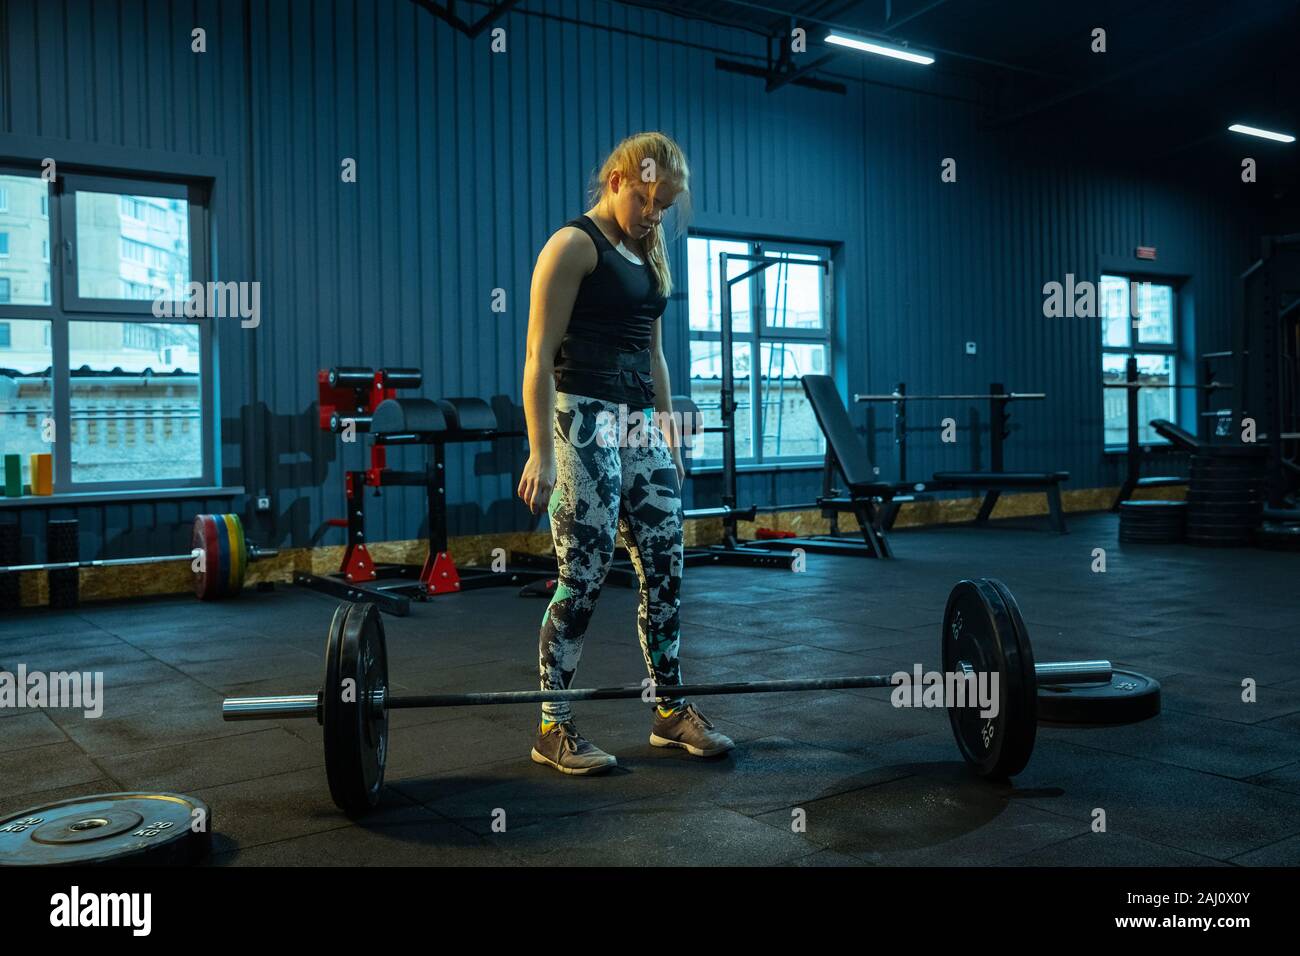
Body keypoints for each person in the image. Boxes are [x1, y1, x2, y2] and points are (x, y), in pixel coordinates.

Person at [517, 131, 734, 774]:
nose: (656, 213)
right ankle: (553, 724)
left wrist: (667, 432)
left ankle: (668, 709)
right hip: (582, 415)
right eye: (648, 200)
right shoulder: (572, 245)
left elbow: (655, 353)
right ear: (617, 180)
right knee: (581, 575)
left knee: (666, 559)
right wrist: (541, 453)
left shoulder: (647, 252)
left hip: (638, 420)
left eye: (664, 204)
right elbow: (537, 358)